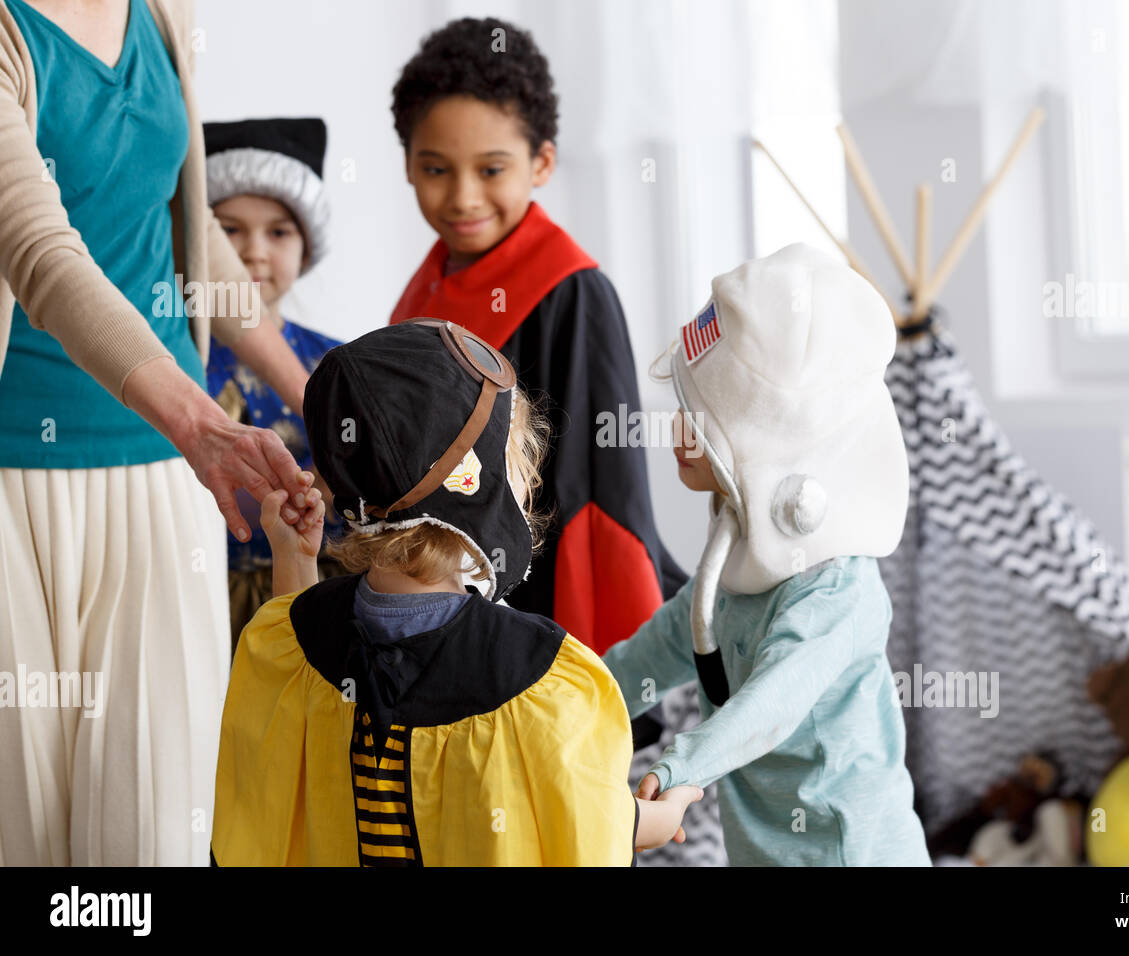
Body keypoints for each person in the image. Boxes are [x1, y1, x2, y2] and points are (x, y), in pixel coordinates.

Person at [0, 0, 314, 867]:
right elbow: (38, 251)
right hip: (15, 468)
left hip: (166, 467)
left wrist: (313, 389)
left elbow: (187, 225)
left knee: (156, 817)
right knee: (23, 820)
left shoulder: (161, 16)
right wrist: (204, 423)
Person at [212, 321, 702, 866]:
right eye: (513, 458)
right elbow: (591, 815)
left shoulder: (295, 640)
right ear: (475, 485)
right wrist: (665, 815)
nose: (529, 476)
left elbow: (294, 698)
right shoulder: (535, 674)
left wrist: (295, 558)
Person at [602, 244, 934, 866]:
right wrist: (582, 698)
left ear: (776, 452)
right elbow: (677, 636)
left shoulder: (838, 595)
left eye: (700, 424)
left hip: (846, 852)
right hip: (763, 849)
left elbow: (774, 702)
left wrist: (682, 767)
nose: (678, 434)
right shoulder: (740, 553)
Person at [387, 16, 686, 661]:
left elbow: (601, 492)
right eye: (436, 168)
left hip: (535, 612)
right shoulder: (421, 297)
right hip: (441, 600)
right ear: (408, 164)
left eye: (492, 169)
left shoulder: (571, 294)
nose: (464, 197)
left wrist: (587, 659)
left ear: (542, 162)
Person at [202, 116, 350, 654]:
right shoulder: (170, 362)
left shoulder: (336, 361)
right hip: (201, 587)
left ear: (307, 247)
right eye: (228, 230)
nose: (253, 250)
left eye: (278, 231)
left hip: (318, 585)